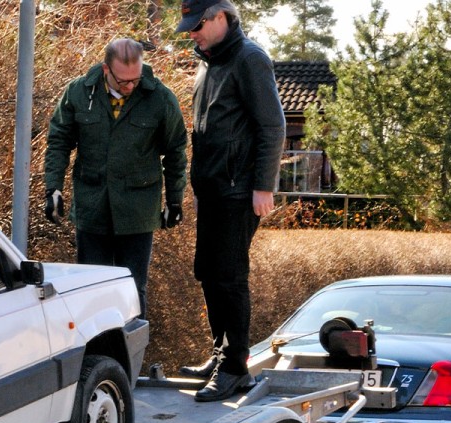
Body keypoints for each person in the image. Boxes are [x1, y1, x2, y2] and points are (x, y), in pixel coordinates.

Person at [175, 0, 285, 402]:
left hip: (240, 190)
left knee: (229, 275)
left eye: (198, 25)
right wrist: (199, 187)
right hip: (212, 188)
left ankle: (235, 368)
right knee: (208, 271)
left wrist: (263, 186)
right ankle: (221, 354)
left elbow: (273, 125)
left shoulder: (249, 58)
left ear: (221, 16)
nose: (193, 33)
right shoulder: (209, 61)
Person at [43, 38, 187, 319]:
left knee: (132, 289)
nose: (130, 86)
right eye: (123, 81)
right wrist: (53, 188)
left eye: (136, 79)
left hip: (138, 210)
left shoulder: (160, 98)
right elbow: (58, 142)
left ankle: (132, 346)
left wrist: (174, 200)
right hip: (92, 205)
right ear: (106, 69)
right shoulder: (78, 93)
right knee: (90, 288)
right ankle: (97, 347)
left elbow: (175, 151)